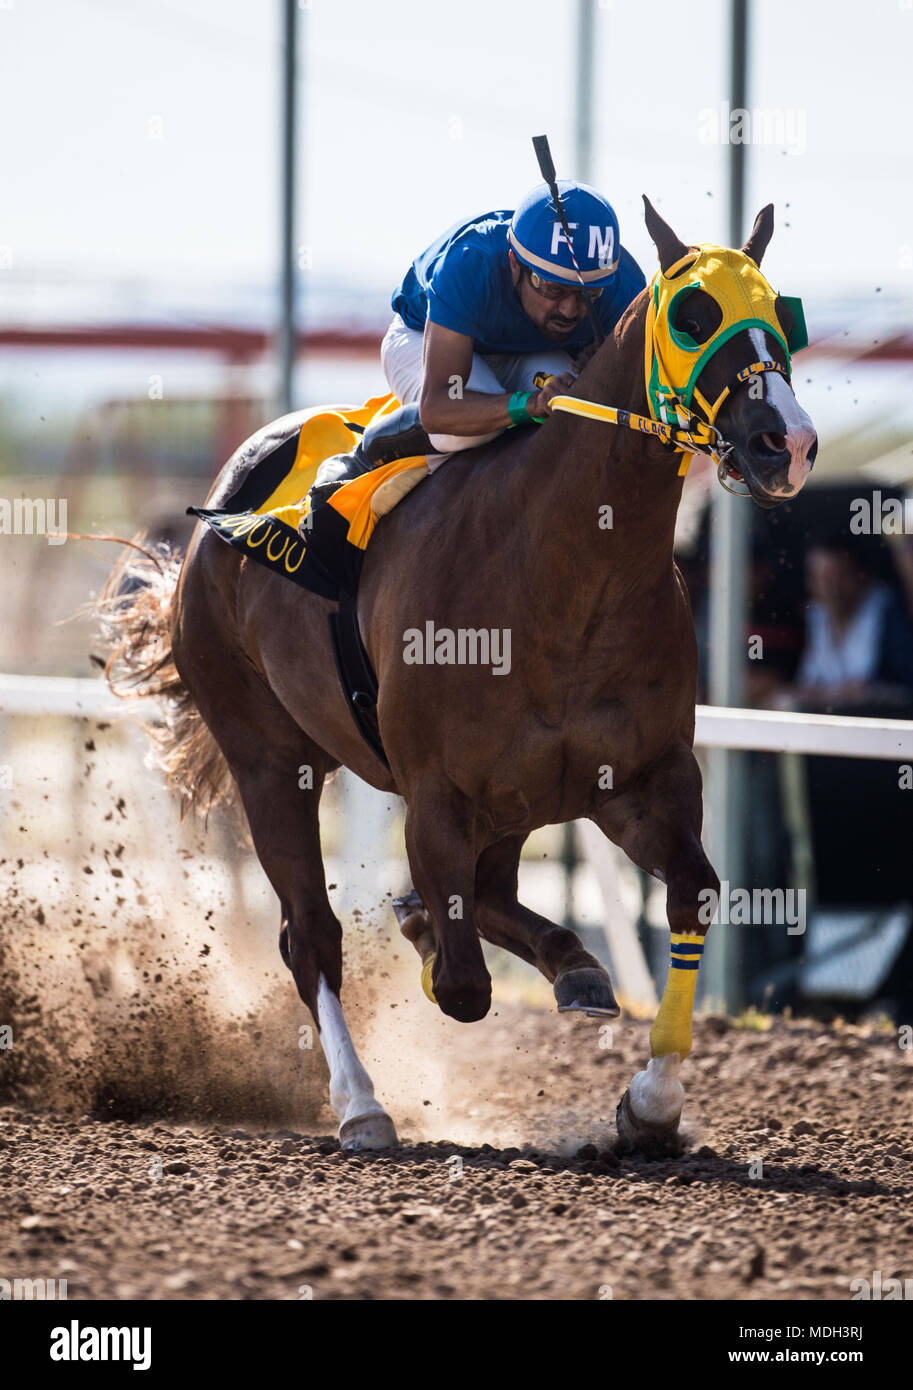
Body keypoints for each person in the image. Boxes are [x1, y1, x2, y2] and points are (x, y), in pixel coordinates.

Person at [308, 181, 645, 505]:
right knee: (470, 431)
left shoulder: (624, 285)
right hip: (421, 339)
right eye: (554, 290)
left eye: (589, 295)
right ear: (515, 264)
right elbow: (439, 408)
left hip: (526, 351)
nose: (571, 310)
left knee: (573, 408)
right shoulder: (470, 262)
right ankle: (367, 455)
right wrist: (529, 404)